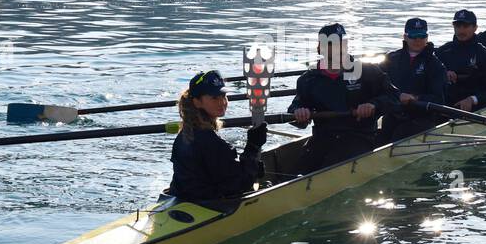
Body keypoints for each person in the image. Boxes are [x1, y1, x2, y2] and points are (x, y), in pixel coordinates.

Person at [289, 22, 400, 173]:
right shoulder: (308, 80)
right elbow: (296, 109)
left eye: (340, 42)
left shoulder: (366, 71)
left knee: (327, 170)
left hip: (359, 137)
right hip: (322, 138)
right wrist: (299, 113)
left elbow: (394, 97)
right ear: (319, 48)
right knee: (295, 173)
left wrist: (374, 105)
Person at [167, 70, 267, 202]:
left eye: (223, 96)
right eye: (214, 98)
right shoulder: (211, 142)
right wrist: (253, 146)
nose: (222, 102)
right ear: (197, 102)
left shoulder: (184, 134)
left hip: (179, 197)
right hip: (209, 204)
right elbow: (241, 184)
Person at [379, 17, 447, 142]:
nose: (417, 40)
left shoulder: (435, 65)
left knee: (398, 137)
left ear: (427, 38)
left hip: (421, 119)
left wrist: (415, 98)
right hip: (394, 115)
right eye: (413, 35)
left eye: (421, 36)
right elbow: (377, 84)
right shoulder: (390, 59)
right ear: (405, 37)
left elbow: (438, 99)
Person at [435, 9, 486, 111]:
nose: (461, 30)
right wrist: (444, 74)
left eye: (465, 26)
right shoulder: (441, 52)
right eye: (458, 26)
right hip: (446, 107)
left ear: (475, 28)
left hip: (475, 109)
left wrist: (473, 99)